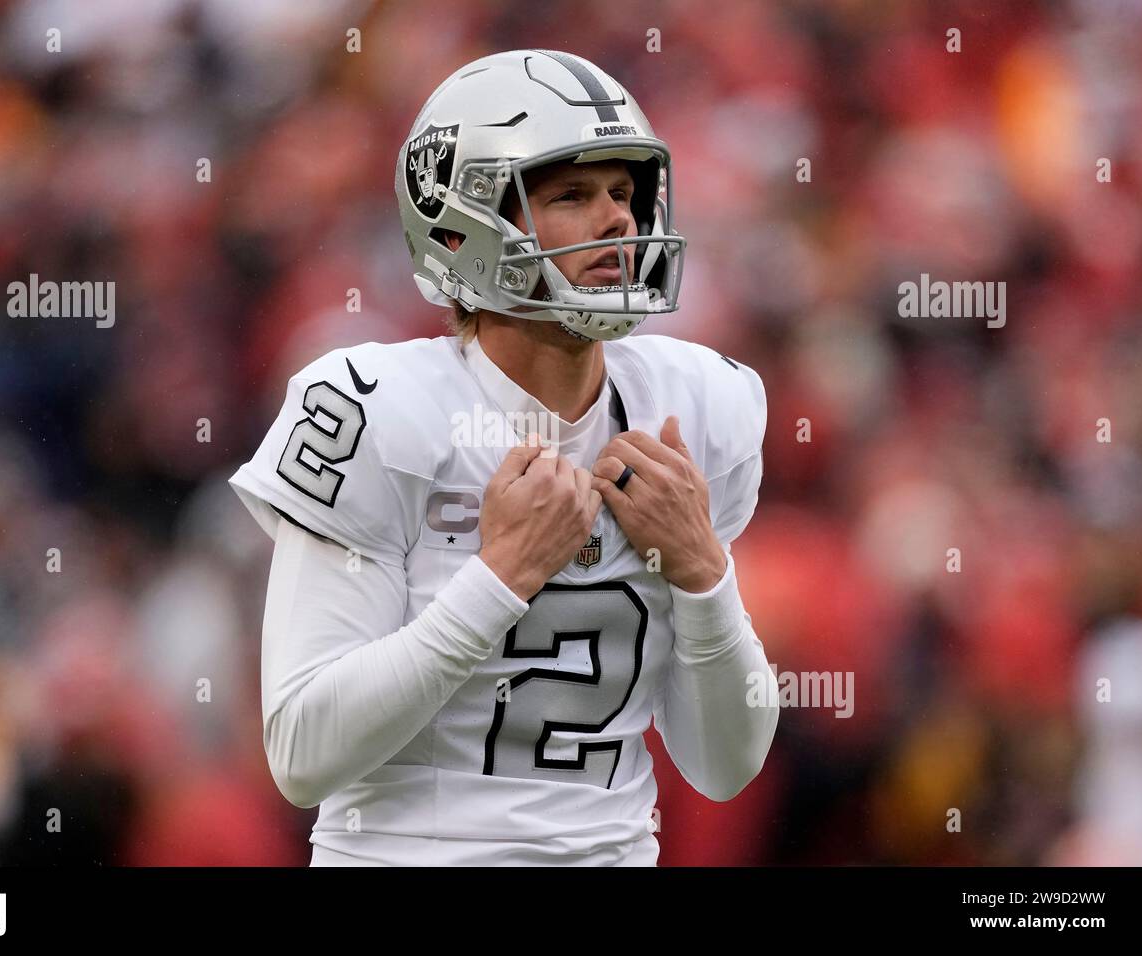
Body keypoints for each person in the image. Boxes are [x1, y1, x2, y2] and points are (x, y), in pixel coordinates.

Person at [229, 49, 779, 866]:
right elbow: (304, 753)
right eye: (572, 196)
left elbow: (725, 766)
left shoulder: (697, 407)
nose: (618, 222)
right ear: (463, 223)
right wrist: (498, 579)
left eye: (624, 194)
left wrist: (704, 574)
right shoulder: (375, 407)